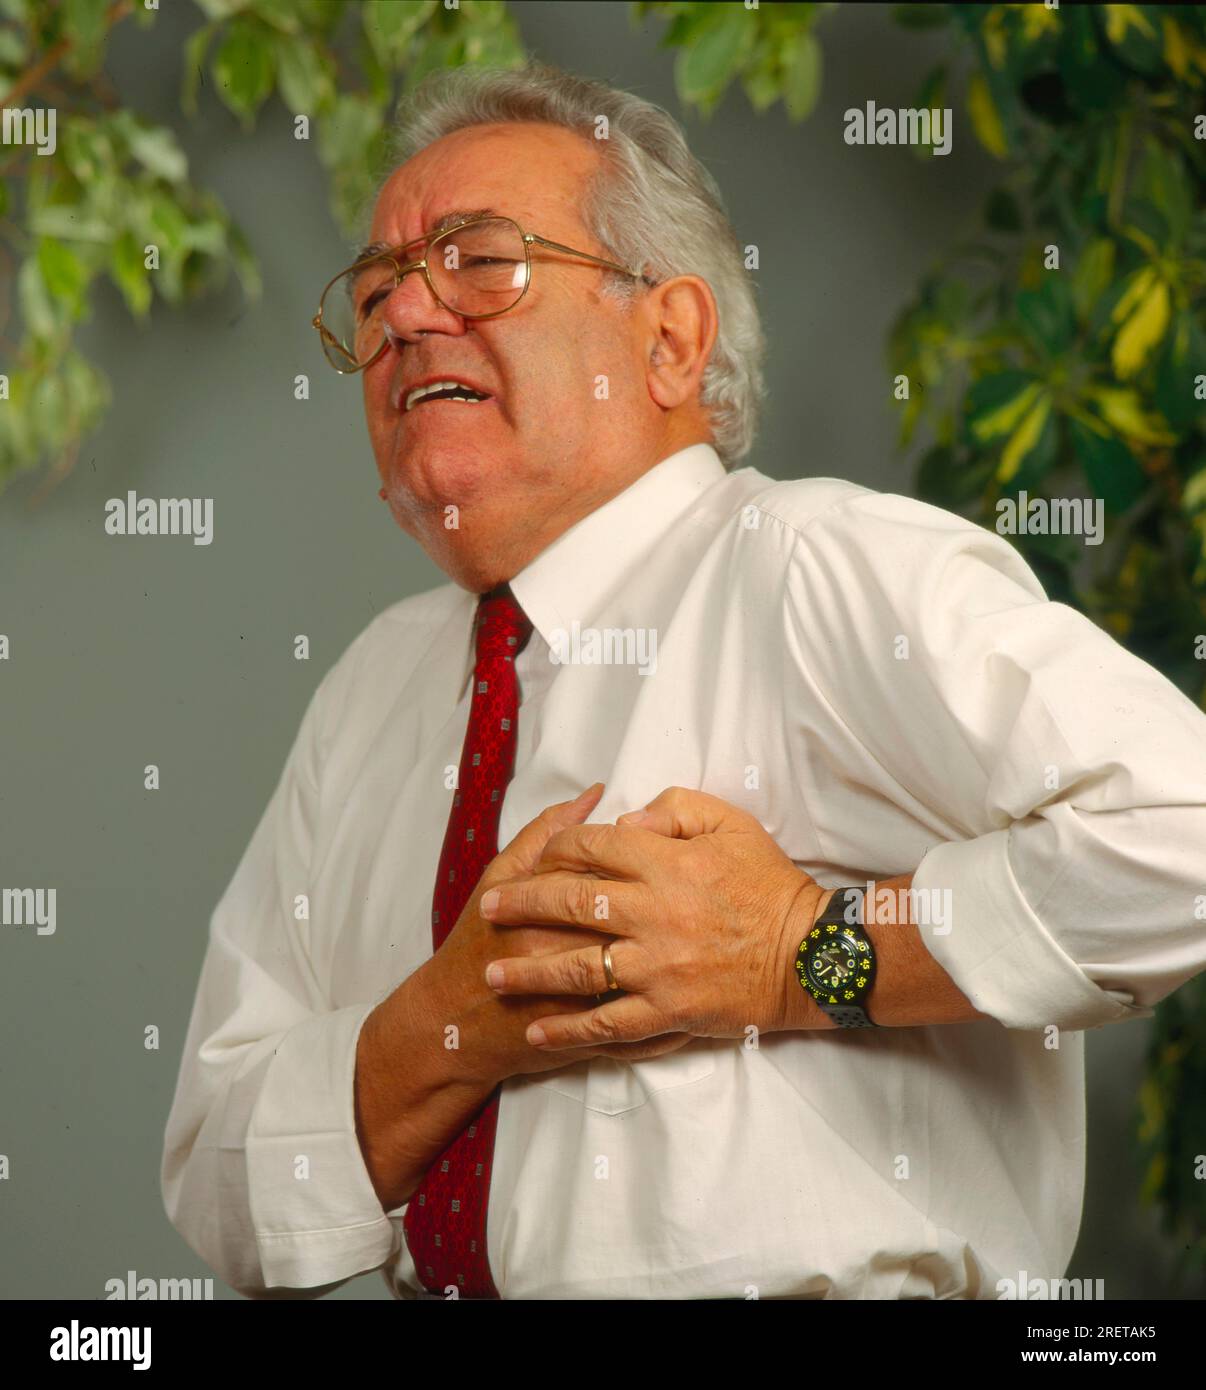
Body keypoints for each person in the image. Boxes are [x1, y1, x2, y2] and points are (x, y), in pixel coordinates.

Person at [161, 62, 1206, 1300]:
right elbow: (215, 1173)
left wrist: (795, 952)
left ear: (668, 339)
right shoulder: (370, 689)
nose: (403, 316)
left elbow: (1180, 830)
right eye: (379, 287)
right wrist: (447, 1020)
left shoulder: (819, 566)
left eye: (478, 259)